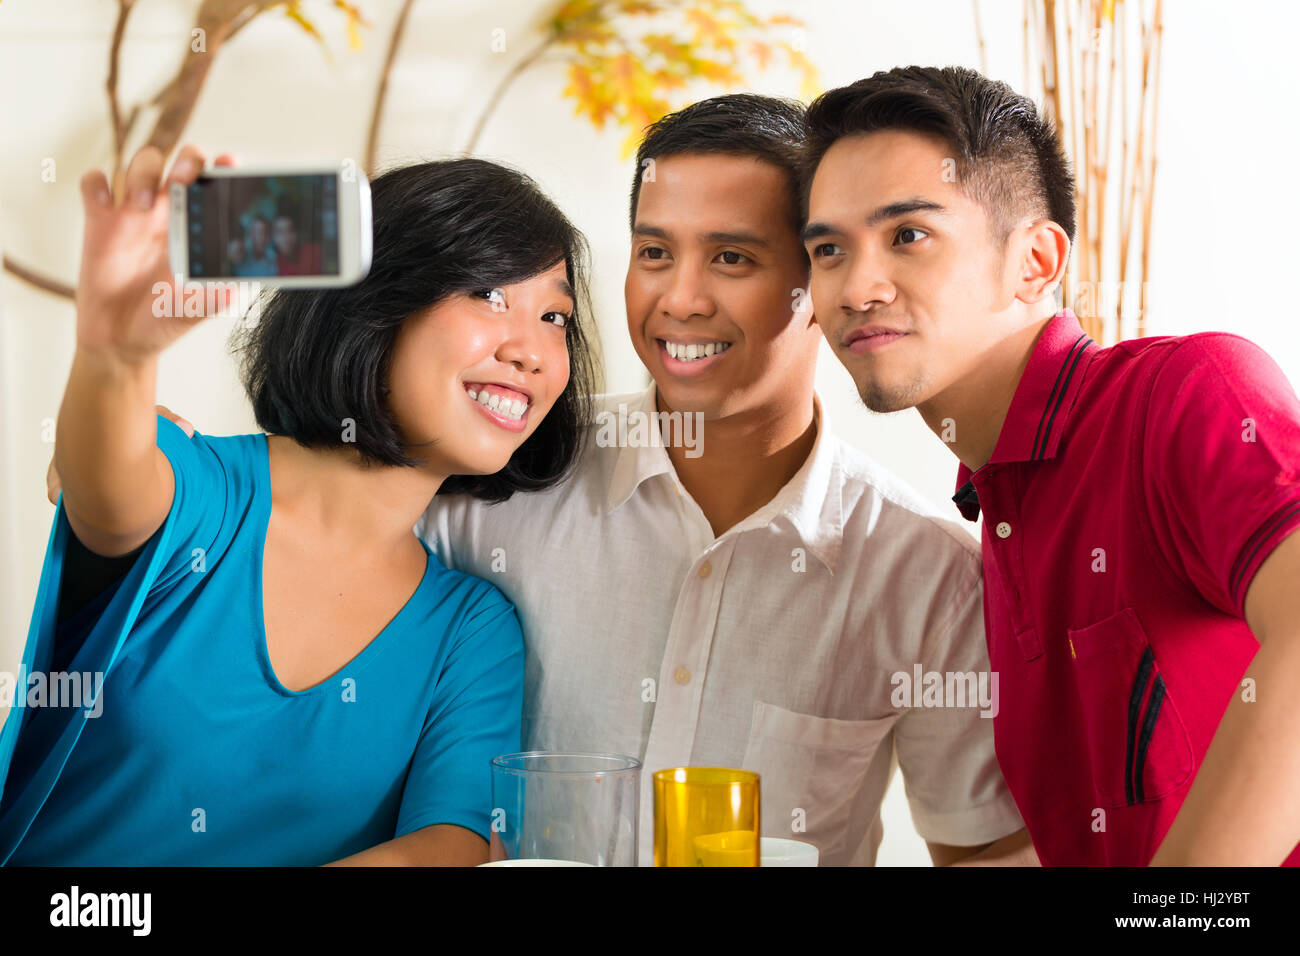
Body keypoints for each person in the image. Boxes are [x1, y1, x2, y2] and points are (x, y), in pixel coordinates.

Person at [421, 94, 1032, 866]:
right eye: (654, 253)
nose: (680, 299)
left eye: (731, 258)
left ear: (823, 280)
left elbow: (982, 851)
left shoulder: (929, 576)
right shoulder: (499, 483)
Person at [2, 142, 599, 865]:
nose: (533, 352)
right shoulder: (197, 486)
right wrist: (116, 358)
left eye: (555, 319)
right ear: (377, 304)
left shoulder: (471, 629)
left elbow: (452, 841)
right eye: (490, 295)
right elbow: (108, 493)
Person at [800, 65, 1300, 865]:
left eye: (908, 235)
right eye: (828, 249)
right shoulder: (988, 526)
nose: (857, 286)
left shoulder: (1184, 395)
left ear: (1035, 260)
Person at [272, 211, 323, 276]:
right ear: (273, 237)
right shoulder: (274, 265)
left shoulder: (316, 252)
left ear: (297, 233)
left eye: (291, 230)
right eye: (280, 232)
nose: (286, 237)